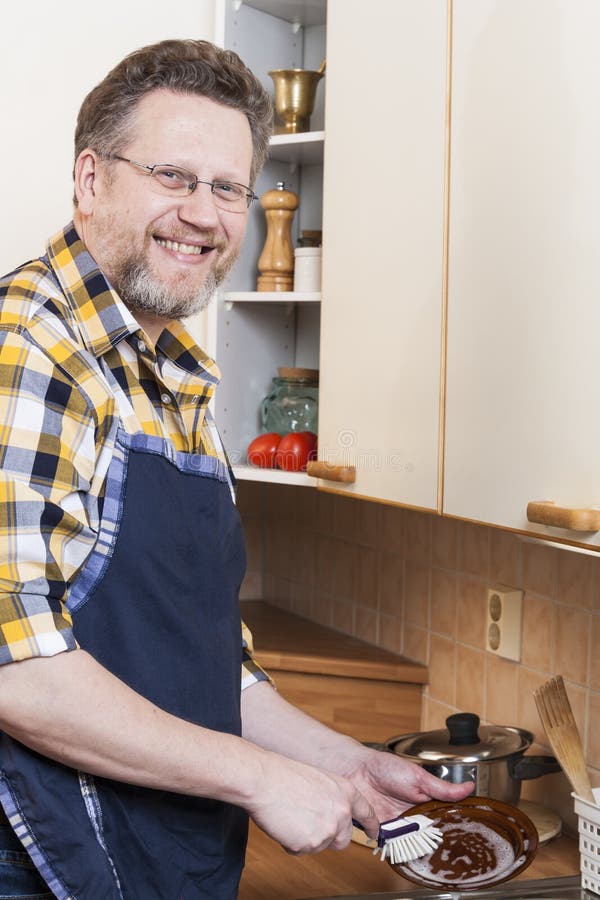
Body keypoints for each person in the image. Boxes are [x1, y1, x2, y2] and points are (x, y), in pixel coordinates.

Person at [0, 38, 473, 899]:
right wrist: (258, 777)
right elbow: (15, 668)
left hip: (163, 855)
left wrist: (345, 766)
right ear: (91, 178)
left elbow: (204, 658)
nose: (205, 216)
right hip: (41, 861)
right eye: (173, 177)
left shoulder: (173, 368)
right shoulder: (33, 348)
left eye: (228, 189)